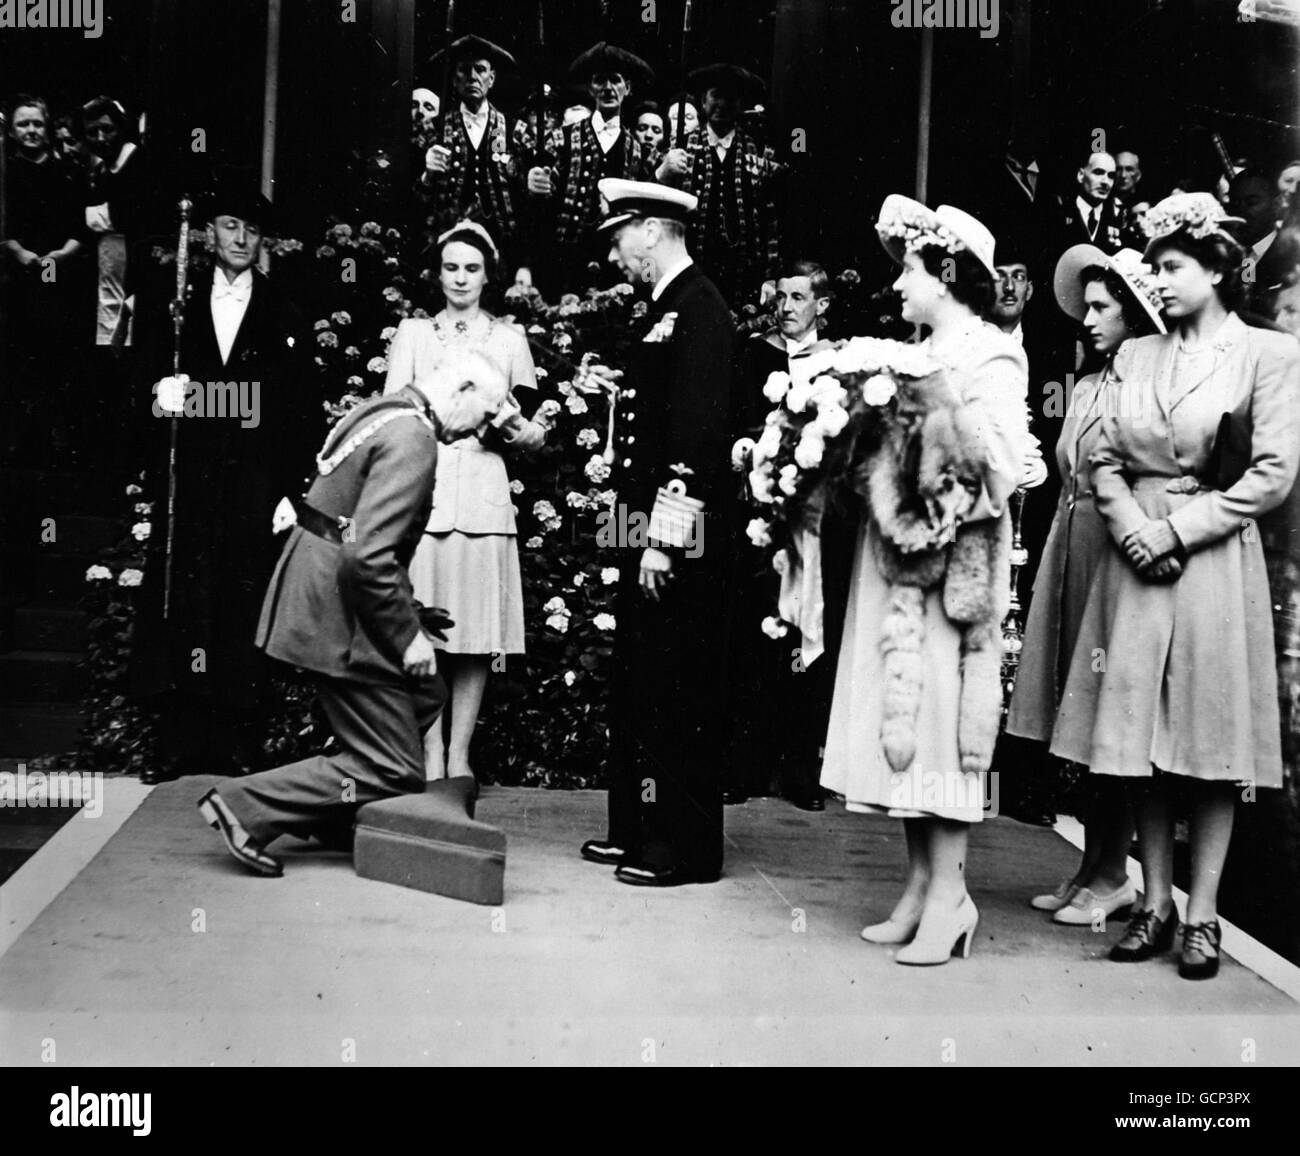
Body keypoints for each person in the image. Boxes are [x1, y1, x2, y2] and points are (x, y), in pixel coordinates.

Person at [1051, 193, 1300, 979]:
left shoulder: (1267, 355)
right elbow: (1104, 461)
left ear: (1219, 269)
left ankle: (1203, 915)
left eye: (1171, 266)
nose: (1156, 280)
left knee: (1208, 741)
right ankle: (1153, 904)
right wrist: (1131, 527)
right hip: (1137, 561)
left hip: (1211, 559)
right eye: (1153, 266)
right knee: (1140, 743)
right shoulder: (1137, 356)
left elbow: (1272, 474)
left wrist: (1174, 532)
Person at [821, 196, 1035, 965]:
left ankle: (952, 896)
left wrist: (923, 450)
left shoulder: (989, 355)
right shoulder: (905, 353)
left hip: (951, 567)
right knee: (902, 717)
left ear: (946, 273)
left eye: (909, 269)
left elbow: (1001, 467)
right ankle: (919, 885)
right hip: (896, 560)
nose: (898, 285)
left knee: (943, 720)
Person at [197, 352, 508, 876]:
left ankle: (334, 811)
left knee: (426, 694)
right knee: (394, 768)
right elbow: (368, 556)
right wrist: (407, 634)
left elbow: (353, 532)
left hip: (321, 587)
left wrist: (408, 611)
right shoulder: (414, 440)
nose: (484, 428)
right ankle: (244, 806)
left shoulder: (386, 410)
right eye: (488, 411)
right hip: (337, 605)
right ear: (463, 390)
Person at [129, 179, 319, 783]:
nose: (241, 238)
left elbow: (290, 408)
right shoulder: (172, 303)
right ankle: (176, 739)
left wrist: (293, 489)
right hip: (191, 477)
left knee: (241, 601)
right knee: (183, 599)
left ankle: (235, 735)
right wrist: (159, 401)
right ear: (209, 233)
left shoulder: (283, 310)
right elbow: (143, 384)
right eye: (231, 226)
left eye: (252, 230)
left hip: (252, 482)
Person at [580, 178, 735, 887]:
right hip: (641, 514)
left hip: (676, 525)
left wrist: (663, 540)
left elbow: (696, 436)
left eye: (619, 238)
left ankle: (685, 847)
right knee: (640, 674)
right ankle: (638, 827)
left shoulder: (700, 308)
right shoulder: (663, 308)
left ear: (651, 227)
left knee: (680, 680)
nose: (614, 254)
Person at [1007, 244, 1167, 926]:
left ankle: (1114, 872)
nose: (1089, 318)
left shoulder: (1148, 383)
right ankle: (1091, 866)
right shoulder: (1094, 377)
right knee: (1081, 718)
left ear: (1135, 315)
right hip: (1072, 551)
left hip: (1114, 557)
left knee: (1112, 717)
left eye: (1104, 308)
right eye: (1090, 306)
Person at [382, 222, 547, 781]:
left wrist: (523, 431)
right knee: (425, 628)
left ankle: (459, 758)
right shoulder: (412, 333)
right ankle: (429, 758)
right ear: (438, 273)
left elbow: (530, 426)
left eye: (471, 268)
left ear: (487, 276)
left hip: (483, 498)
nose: (460, 278)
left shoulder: (509, 338)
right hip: (423, 500)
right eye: (451, 267)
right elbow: (392, 419)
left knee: (475, 635)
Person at [730, 260, 839, 810]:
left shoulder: (839, 362)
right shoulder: (755, 354)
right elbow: (735, 421)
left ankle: (801, 769)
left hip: (814, 521)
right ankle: (747, 763)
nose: (787, 307)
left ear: (821, 304)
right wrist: (748, 454)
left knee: (807, 633)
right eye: (782, 297)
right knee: (754, 634)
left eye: (800, 298)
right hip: (760, 515)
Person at [525, 42, 657, 292]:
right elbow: (540, 202)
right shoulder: (560, 138)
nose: (608, 88)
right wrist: (535, 185)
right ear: (590, 88)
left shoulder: (638, 150)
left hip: (616, 265)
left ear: (627, 88)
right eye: (600, 81)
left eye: (615, 80)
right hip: (565, 261)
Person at [1, 93, 89, 461]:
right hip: (13, 273)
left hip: (57, 273)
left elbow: (78, 229)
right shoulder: (5, 172)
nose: (32, 130)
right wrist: (21, 254)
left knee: (55, 353)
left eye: (37, 123)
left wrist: (55, 259)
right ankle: (15, 437)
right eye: (24, 124)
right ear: (12, 130)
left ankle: (56, 437)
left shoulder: (67, 171)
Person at [657, 62, 785, 308]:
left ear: (740, 104)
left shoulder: (757, 149)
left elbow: (770, 218)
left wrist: (770, 276)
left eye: (731, 97)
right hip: (691, 265)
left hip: (743, 272)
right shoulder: (680, 147)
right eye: (716, 95)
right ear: (703, 102)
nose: (722, 104)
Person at [416, 36, 523, 255]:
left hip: (498, 244)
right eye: (464, 70)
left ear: (491, 78)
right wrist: (428, 173)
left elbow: (523, 198)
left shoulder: (515, 130)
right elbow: (414, 200)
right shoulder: (432, 130)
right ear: (454, 79)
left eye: (480, 70)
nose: (473, 77)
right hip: (446, 241)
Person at [1051, 151, 1124, 257]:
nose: (1105, 182)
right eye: (1098, 172)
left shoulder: (1116, 218)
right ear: (1081, 175)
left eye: (1111, 176)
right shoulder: (1060, 212)